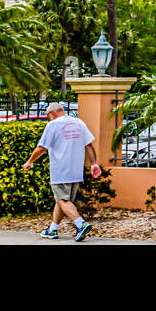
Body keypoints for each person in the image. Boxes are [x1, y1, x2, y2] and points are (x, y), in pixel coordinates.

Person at [22, 102, 102, 241]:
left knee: (62, 200)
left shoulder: (52, 125)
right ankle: (53, 230)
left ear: (51, 114)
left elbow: (41, 148)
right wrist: (94, 163)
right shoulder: (79, 123)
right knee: (62, 201)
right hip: (76, 171)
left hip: (60, 170)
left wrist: (30, 161)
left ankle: (80, 224)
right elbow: (88, 144)